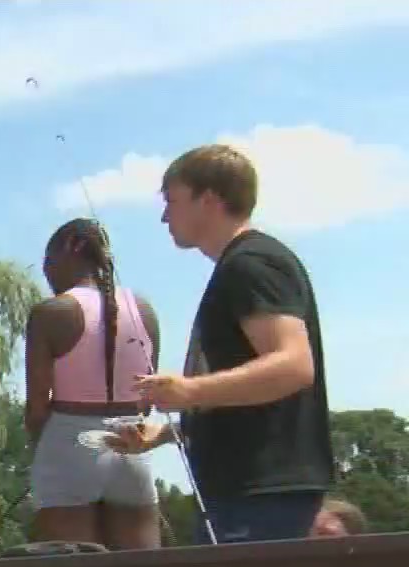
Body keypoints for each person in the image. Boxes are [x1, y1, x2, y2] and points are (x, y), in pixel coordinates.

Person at [109, 143, 332, 543]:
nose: (164, 216)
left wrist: (190, 391)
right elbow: (251, 394)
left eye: (172, 200)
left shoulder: (251, 264)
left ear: (209, 199)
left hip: (260, 494)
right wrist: (166, 434)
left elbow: (294, 366)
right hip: (249, 492)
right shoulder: (245, 263)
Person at [24, 218, 163, 550]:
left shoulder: (51, 312)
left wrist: (41, 452)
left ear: (71, 248)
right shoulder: (145, 311)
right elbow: (148, 401)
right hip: (131, 444)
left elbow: (37, 408)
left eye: (49, 261)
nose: (47, 272)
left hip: (68, 441)